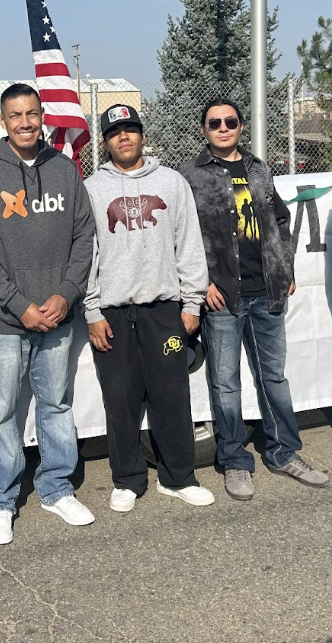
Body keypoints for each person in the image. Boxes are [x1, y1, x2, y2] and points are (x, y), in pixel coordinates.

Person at [0, 84, 97, 544]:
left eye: (32, 114)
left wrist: (66, 293)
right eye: (15, 114)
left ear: (42, 117)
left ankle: (56, 488)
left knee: (56, 404)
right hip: (5, 321)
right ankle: (0, 500)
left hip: (58, 316)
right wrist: (20, 306)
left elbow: (84, 238)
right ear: (2, 121)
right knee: (2, 411)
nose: (25, 122)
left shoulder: (64, 170)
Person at [179, 99, 329, 500]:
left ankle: (284, 453)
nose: (223, 128)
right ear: (204, 130)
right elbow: (182, 237)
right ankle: (234, 462)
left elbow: (279, 219)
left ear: (241, 126)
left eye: (230, 121)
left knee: (273, 377)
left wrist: (286, 268)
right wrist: (198, 286)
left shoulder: (259, 169)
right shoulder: (190, 176)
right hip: (222, 298)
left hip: (267, 294)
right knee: (225, 383)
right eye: (215, 123)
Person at [84, 104, 214, 512]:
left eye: (130, 129)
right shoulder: (91, 190)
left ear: (141, 134)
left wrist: (193, 301)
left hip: (165, 309)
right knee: (120, 398)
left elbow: (188, 243)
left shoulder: (171, 183)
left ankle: (178, 477)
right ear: (105, 142)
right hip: (114, 312)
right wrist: (91, 310)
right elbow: (84, 254)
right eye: (115, 132)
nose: (124, 137)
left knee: (171, 395)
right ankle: (127, 478)